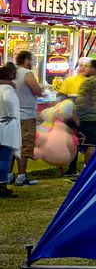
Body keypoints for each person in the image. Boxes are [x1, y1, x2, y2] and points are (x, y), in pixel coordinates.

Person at [12, 51, 41, 186]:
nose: (33, 63)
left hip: (12, 115)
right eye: (32, 60)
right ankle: (21, 176)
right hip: (26, 115)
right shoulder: (27, 73)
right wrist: (41, 90)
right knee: (25, 146)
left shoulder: (13, 73)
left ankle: (8, 175)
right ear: (26, 60)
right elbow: (37, 90)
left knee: (12, 145)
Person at [0, 63, 20, 198]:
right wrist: (12, 115)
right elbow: (8, 100)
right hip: (5, 127)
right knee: (4, 156)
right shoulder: (7, 89)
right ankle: (2, 185)